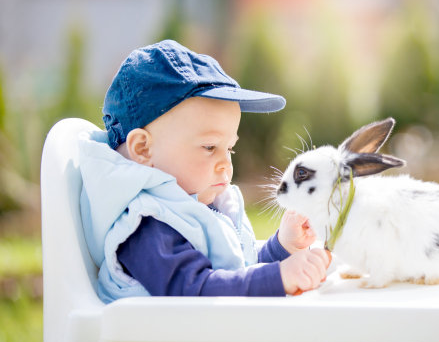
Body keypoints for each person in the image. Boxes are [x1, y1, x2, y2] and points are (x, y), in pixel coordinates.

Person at [78, 40, 329, 303]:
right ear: (142, 149)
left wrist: (283, 247)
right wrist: (278, 278)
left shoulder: (192, 205)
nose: (226, 164)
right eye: (210, 147)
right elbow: (196, 291)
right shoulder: (144, 225)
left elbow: (236, 272)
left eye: (230, 148)